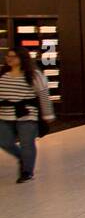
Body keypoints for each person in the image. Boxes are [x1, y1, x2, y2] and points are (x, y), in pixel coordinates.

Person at [0, 47, 55, 182]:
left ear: (22, 58)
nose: (10, 59)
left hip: (27, 114)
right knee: (5, 142)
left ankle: (27, 171)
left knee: (27, 143)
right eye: (8, 56)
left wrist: (47, 114)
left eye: (13, 56)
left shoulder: (34, 75)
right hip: (5, 114)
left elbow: (43, 95)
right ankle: (23, 158)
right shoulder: (3, 74)